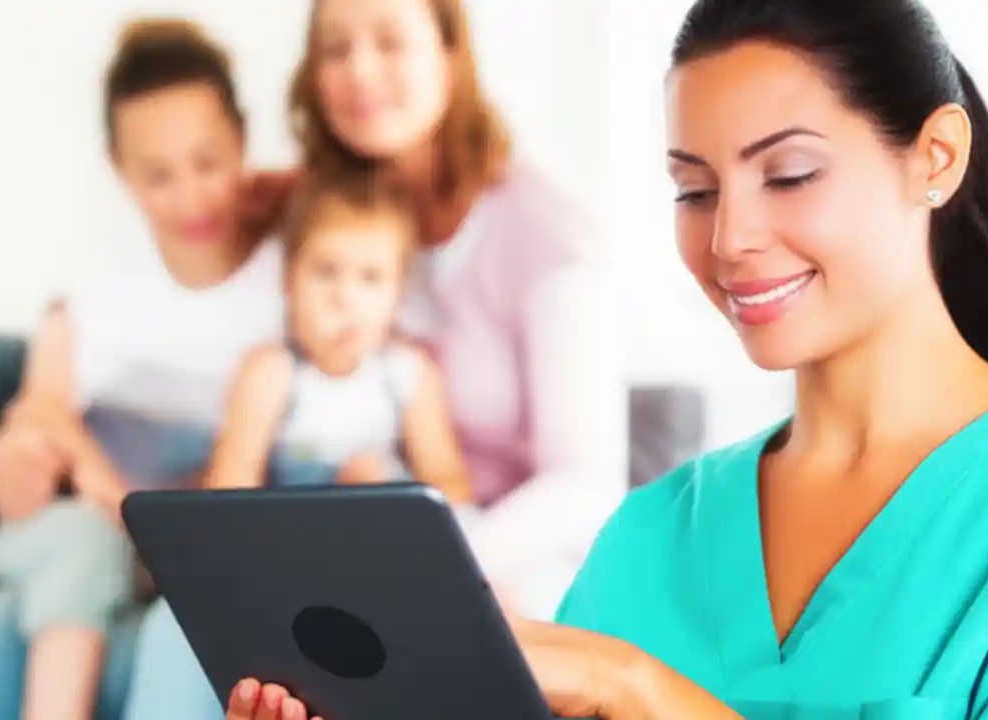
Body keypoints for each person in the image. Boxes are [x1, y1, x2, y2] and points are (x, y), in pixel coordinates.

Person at [221, 0, 988, 718]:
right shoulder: (649, 537)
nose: (730, 236)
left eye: (787, 174)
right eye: (693, 190)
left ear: (933, 159)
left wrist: (642, 692)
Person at [121, 0, 624, 716]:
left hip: (506, 550)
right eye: (334, 48)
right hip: (346, 546)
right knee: (170, 639)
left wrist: (432, 568)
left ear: (450, 52)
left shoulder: (549, 235)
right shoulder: (329, 217)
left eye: (389, 40)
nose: (358, 70)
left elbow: (584, 484)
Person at [0, 19, 283, 720]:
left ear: (243, 140)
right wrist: (41, 457)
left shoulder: (295, 274)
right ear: (120, 170)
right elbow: (32, 435)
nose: (189, 196)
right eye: (157, 175)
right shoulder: (96, 300)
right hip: (101, 551)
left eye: (208, 161)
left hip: (219, 561)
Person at [207, 176, 471, 504]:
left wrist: (389, 491)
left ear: (398, 296)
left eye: (371, 278)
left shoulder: (409, 372)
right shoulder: (270, 373)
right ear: (289, 281)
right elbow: (228, 487)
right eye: (326, 271)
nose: (345, 298)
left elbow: (451, 485)